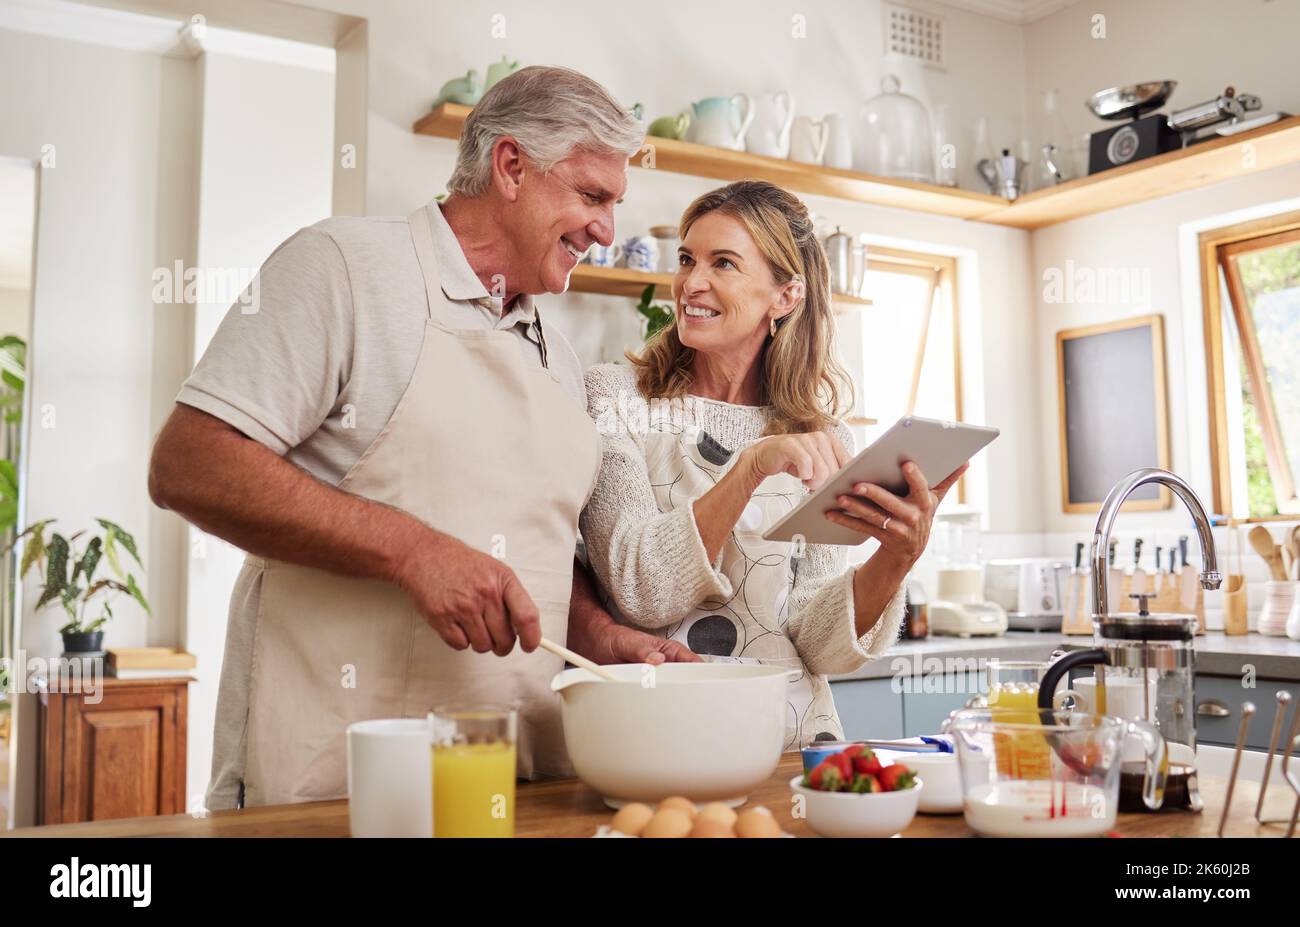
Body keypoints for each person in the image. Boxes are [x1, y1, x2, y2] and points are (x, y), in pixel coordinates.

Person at [148, 66, 690, 810]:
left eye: (614, 204)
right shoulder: (340, 267)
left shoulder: (558, 358)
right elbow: (189, 464)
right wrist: (412, 551)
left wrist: (601, 634)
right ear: (510, 166)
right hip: (335, 786)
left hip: (516, 789)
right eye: (593, 195)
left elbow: (533, 546)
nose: (607, 229)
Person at [580, 180, 967, 749]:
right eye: (687, 259)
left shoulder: (820, 436)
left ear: (785, 296)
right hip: (659, 740)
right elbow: (643, 590)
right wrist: (749, 468)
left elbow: (822, 648)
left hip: (792, 742)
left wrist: (896, 557)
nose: (692, 282)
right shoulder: (616, 401)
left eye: (724, 263)